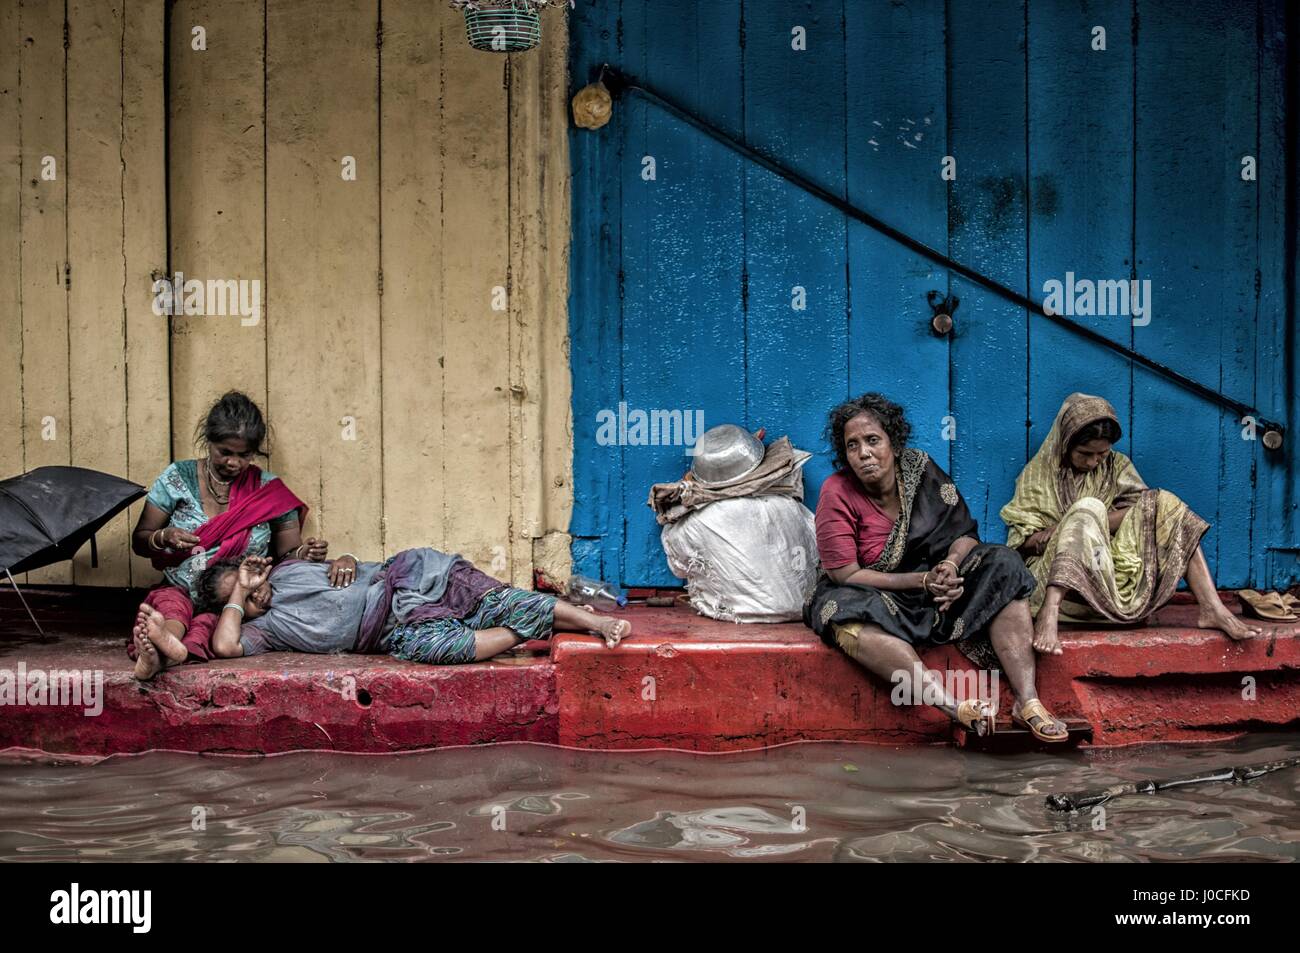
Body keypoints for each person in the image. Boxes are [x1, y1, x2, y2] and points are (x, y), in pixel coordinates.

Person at [803, 393, 1068, 742]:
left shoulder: (919, 470)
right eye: (852, 446)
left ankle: (1027, 701)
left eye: (872, 440)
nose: (864, 453)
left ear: (894, 444)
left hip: (935, 593)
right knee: (844, 613)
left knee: (1004, 563)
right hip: (872, 593)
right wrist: (923, 580)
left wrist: (949, 566)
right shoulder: (836, 491)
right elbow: (845, 574)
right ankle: (954, 707)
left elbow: (964, 535)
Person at [999, 392, 1261, 654]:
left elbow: (1143, 511)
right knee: (1087, 508)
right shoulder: (1036, 477)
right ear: (1065, 443)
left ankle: (1211, 607)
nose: (1093, 462)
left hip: (1110, 576)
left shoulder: (1117, 467)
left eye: (1101, 454)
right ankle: (1050, 611)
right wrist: (1067, 528)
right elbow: (1020, 546)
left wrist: (1093, 521)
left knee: (1164, 502)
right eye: (1084, 453)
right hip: (1062, 590)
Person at [127, 392, 352, 681]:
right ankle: (163, 644)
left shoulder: (267, 490)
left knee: (208, 626)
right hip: (181, 587)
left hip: (235, 598)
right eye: (224, 452)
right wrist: (163, 537)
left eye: (243, 455)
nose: (233, 462)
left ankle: (164, 657)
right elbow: (140, 541)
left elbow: (286, 555)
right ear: (208, 441)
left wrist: (303, 555)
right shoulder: (176, 478)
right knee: (173, 610)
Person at [131, 548, 632, 671]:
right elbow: (223, 644)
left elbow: (353, 563)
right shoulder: (264, 631)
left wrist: (346, 557)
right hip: (393, 630)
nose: (255, 593)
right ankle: (523, 631)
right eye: (240, 597)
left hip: (411, 578)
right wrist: (239, 596)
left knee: (497, 600)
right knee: (441, 647)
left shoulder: (286, 570)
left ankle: (597, 621)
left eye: (251, 582)